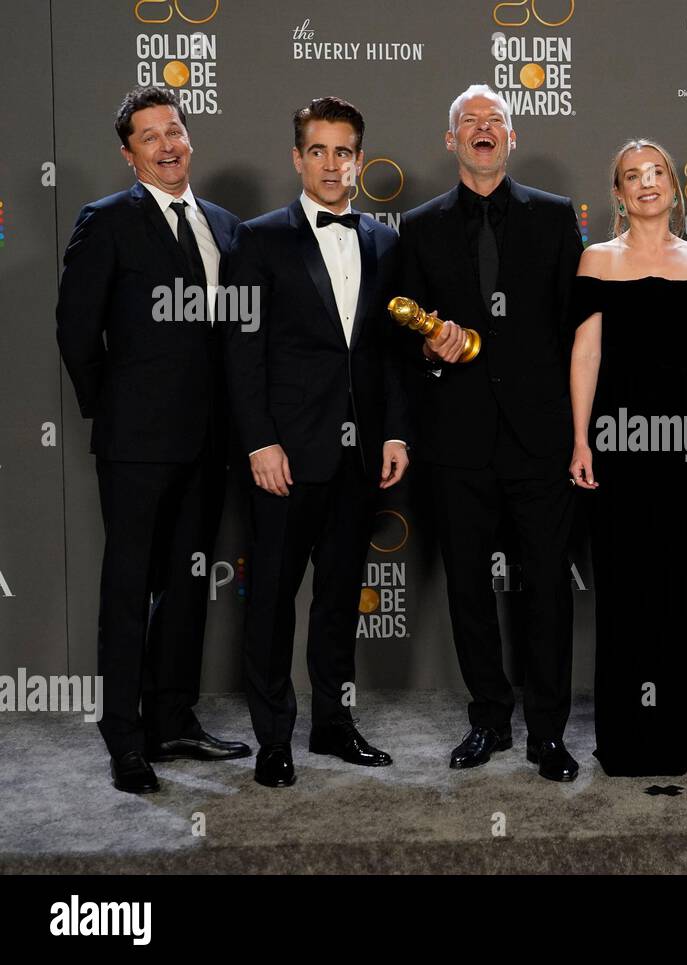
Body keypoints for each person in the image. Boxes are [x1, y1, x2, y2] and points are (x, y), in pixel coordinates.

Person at [56, 85, 249, 794]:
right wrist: (115, 412)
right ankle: (124, 735)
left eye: (175, 130)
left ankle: (173, 718)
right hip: (136, 444)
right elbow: (76, 330)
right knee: (129, 586)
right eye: (150, 136)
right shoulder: (105, 222)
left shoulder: (227, 226)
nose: (168, 144)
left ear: (189, 138)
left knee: (190, 583)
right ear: (128, 153)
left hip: (209, 444)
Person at [223, 96, 411, 788]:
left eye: (344, 151)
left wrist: (394, 431)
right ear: (297, 158)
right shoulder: (258, 237)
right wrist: (260, 443)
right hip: (284, 457)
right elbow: (241, 354)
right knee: (271, 599)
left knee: (340, 596)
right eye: (319, 151)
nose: (333, 164)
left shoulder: (386, 243)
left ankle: (333, 723)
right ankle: (275, 738)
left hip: (359, 455)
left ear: (360, 160)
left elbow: (387, 354)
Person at [398, 84, 583, 781]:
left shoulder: (557, 217)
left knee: (547, 588)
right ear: (451, 141)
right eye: (469, 121)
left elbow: (576, 331)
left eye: (494, 120)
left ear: (511, 136)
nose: (483, 129)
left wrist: (576, 430)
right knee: (470, 587)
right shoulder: (417, 227)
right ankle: (489, 719)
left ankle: (548, 731)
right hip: (458, 436)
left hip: (541, 436)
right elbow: (406, 333)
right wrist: (427, 346)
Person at [569, 139, 687, 777]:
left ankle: (668, 738)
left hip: (686, 444)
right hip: (617, 443)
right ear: (617, 193)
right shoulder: (596, 259)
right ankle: (620, 739)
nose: (646, 184)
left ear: (673, 185)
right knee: (621, 592)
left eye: (656, 173)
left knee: (671, 591)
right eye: (632, 177)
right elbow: (586, 353)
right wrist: (581, 438)